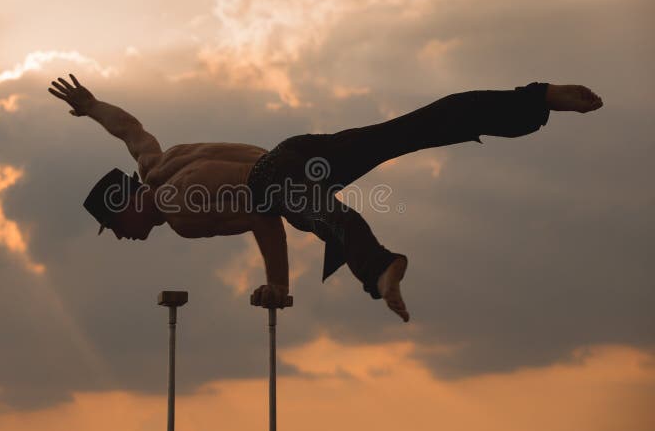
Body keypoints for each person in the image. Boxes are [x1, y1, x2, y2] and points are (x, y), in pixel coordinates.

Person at [48, 74, 603, 322]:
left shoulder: (178, 212)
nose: (124, 236)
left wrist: (279, 284)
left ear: (125, 203)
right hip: (300, 151)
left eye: (115, 226)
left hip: (277, 179)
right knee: (413, 128)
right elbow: (131, 130)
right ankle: (537, 99)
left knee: (330, 220)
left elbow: (263, 213)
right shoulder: (154, 167)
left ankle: (383, 268)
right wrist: (93, 106)